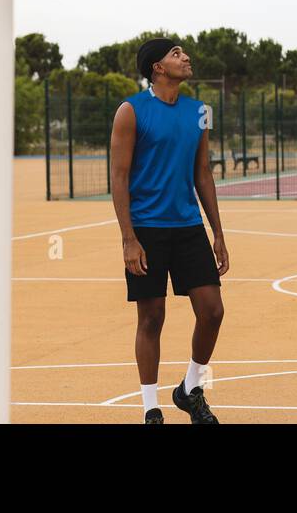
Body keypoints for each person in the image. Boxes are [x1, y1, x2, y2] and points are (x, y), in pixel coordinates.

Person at [109, 37, 229, 424]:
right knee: (151, 318)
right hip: (146, 229)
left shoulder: (200, 112)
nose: (186, 57)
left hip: (188, 226)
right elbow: (119, 175)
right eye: (176, 53)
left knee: (212, 311)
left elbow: (203, 174)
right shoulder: (131, 111)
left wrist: (218, 233)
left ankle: (190, 389)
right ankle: (150, 409)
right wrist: (129, 238)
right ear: (157, 67)